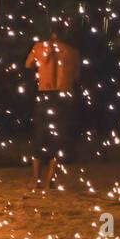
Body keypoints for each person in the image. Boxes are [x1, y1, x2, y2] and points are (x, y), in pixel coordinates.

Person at [25, 26, 81, 190]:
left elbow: (28, 64)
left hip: (45, 94)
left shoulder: (39, 47)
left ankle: (35, 179)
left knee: (41, 136)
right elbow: (76, 77)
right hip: (64, 95)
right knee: (59, 137)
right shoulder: (73, 52)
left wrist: (43, 62)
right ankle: (49, 180)